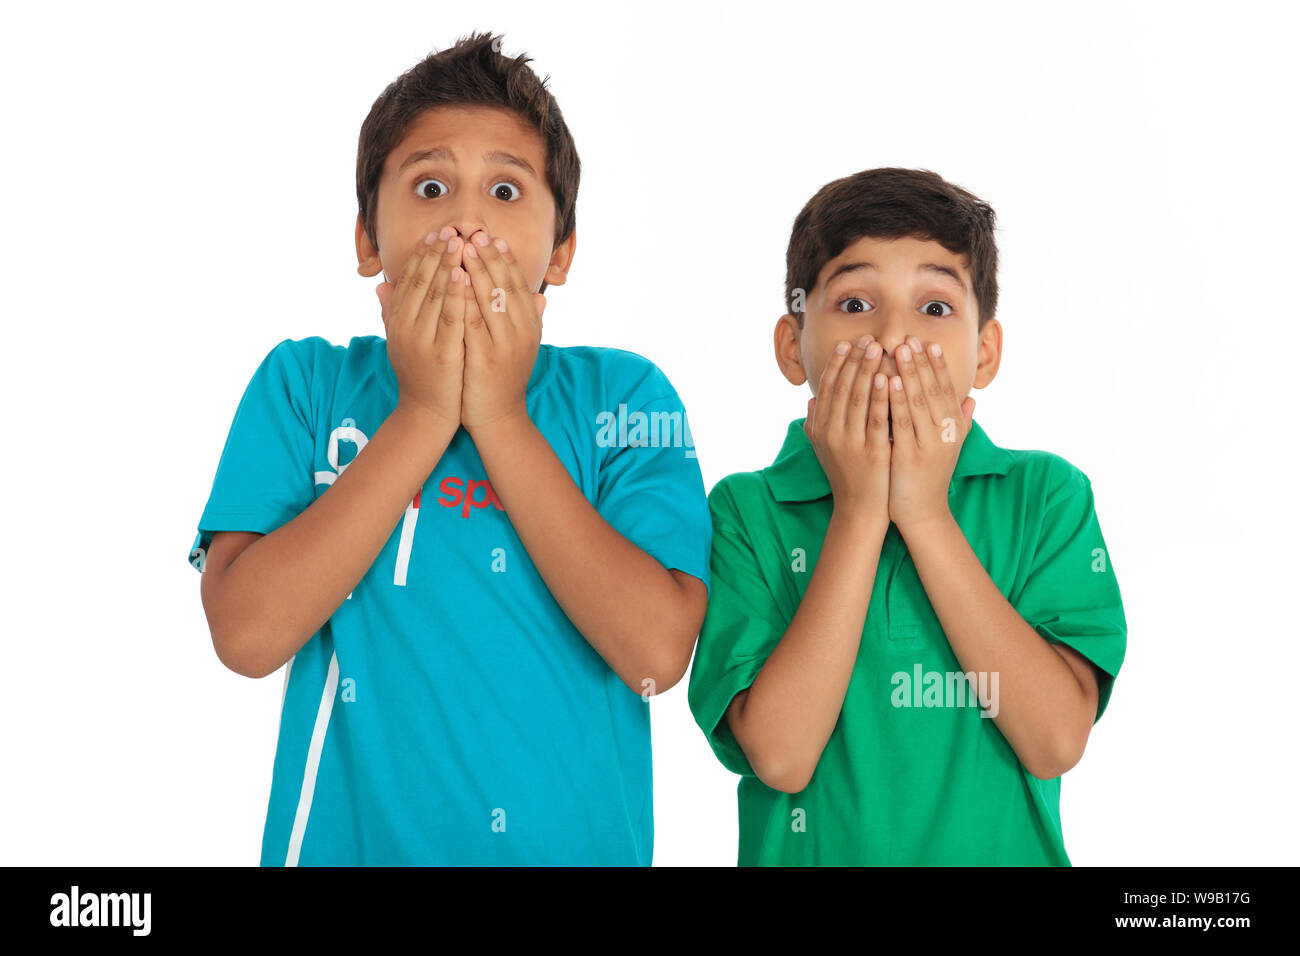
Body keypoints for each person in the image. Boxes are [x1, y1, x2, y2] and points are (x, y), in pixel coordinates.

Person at [186, 31, 709, 865]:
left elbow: (654, 655)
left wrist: (499, 418)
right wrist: (425, 413)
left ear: (561, 252)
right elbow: (246, 638)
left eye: (506, 189)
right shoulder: (303, 384)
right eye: (431, 185)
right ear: (367, 240)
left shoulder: (626, 398)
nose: (467, 221)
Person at [687, 167, 1126, 865]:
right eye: (857, 303)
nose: (893, 337)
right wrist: (861, 512)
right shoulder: (749, 512)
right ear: (791, 346)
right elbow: (780, 756)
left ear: (985, 354)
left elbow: (1054, 741)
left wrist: (924, 516)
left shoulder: (1047, 497)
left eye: (936, 308)